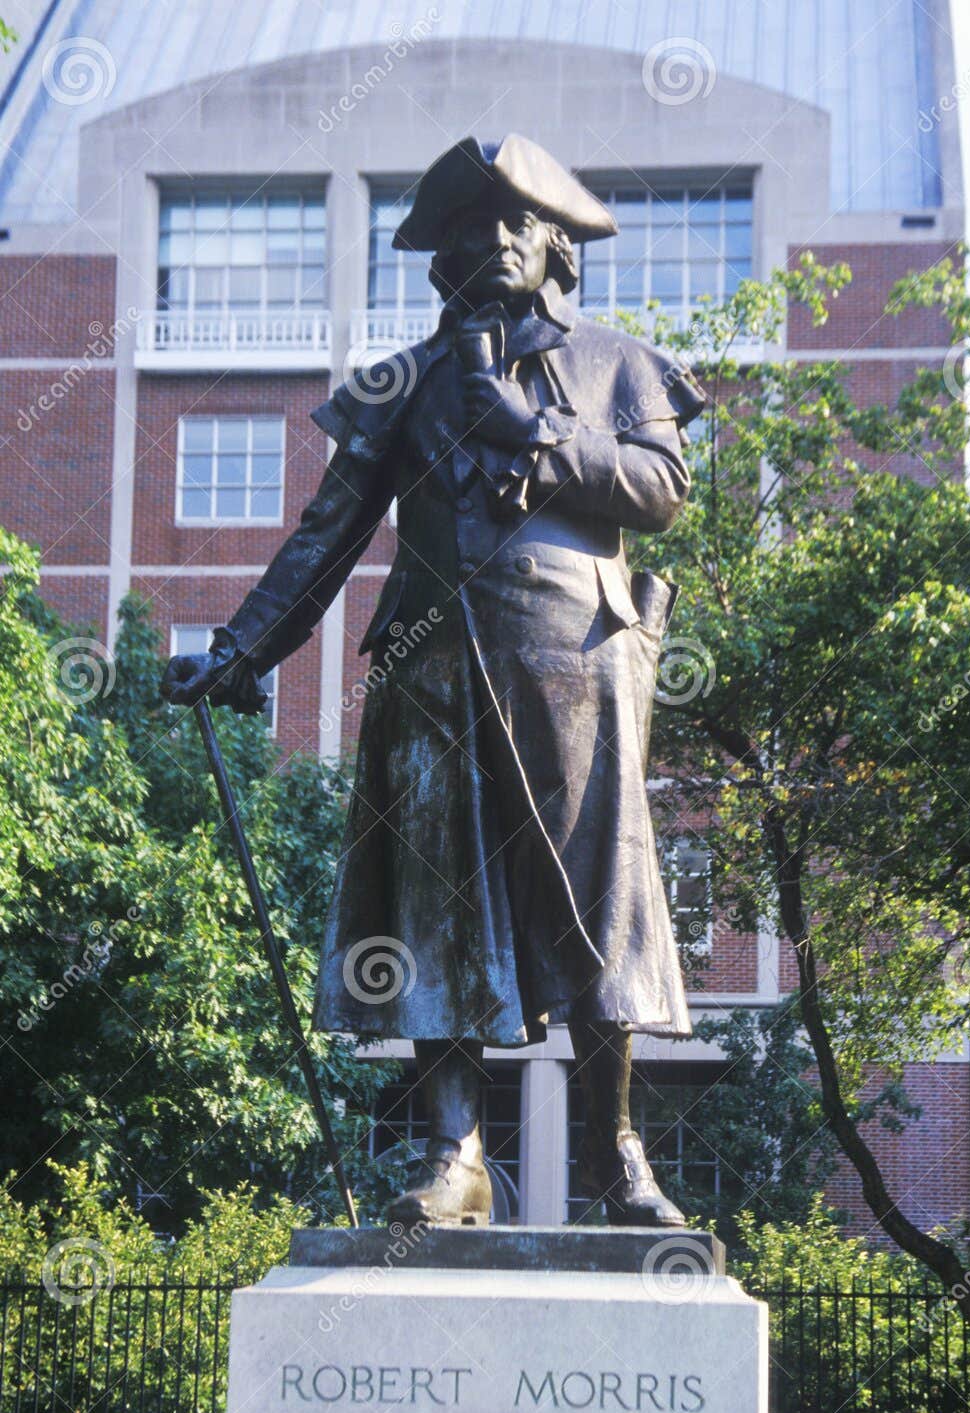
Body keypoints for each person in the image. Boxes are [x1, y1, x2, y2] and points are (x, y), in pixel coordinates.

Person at [162, 134, 704, 1229]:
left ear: (557, 248)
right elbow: (326, 532)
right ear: (441, 256)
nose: (495, 239)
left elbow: (660, 489)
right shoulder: (401, 384)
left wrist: (533, 433)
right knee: (434, 899)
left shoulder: (617, 364)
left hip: (576, 660)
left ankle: (612, 1151)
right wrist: (242, 650)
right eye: (470, 225)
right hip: (432, 665)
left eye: (517, 222)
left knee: (593, 898)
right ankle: (453, 1152)